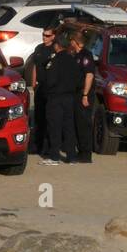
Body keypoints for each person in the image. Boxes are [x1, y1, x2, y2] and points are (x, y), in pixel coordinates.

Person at [40, 34, 81, 165]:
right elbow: (79, 79)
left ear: (57, 46)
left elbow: (50, 80)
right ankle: (71, 157)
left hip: (55, 97)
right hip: (69, 97)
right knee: (69, 127)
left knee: (54, 127)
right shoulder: (73, 60)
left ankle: (54, 156)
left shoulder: (55, 61)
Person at [27, 27, 57, 155]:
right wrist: (33, 83)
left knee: (50, 118)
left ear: (53, 36)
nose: (44, 37)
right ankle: (37, 145)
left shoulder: (55, 50)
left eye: (47, 35)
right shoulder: (39, 48)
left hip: (50, 88)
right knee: (38, 117)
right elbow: (35, 66)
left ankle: (48, 147)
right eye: (43, 35)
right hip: (39, 87)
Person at [69, 31, 95, 164]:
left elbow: (89, 75)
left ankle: (86, 154)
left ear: (76, 42)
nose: (70, 43)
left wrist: (85, 95)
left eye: (71, 40)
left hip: (84, 94)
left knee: (84, 124)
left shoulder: (86, 55)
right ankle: (80, 151)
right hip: (76, 93)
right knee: (77, 123)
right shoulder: (76, 55)